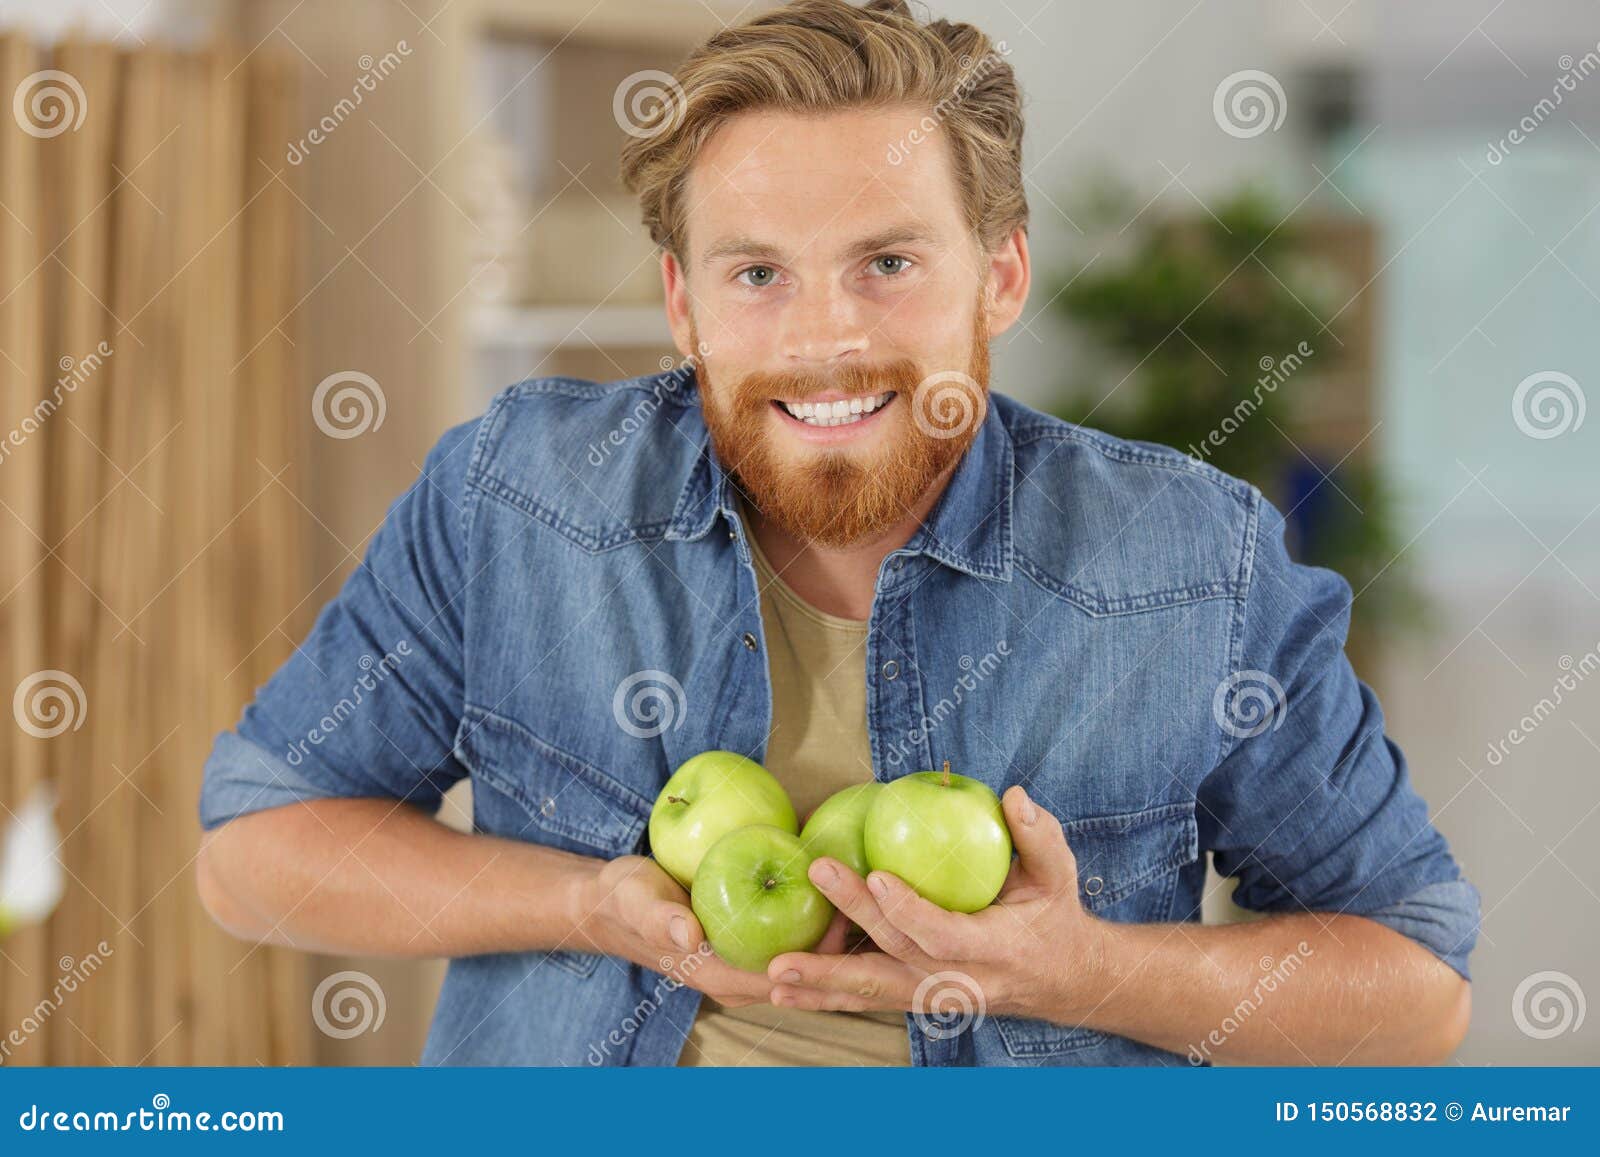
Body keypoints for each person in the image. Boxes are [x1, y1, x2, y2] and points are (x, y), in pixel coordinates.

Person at [196, 0, 1478, 1066]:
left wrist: (1083, 971)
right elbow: (254, 849)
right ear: (683, 302)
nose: (824, 339)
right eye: (758, 273)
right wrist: (582, 902)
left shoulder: (1194, 558)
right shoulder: (515, 496)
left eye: (888, 263)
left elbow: (1417, 987)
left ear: (1002, 275)